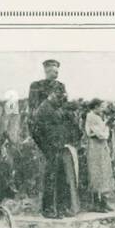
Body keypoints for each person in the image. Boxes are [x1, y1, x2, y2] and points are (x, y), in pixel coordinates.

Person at [31, 86, 78, 218]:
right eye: (58, 95)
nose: (60, 98)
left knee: (61, 180)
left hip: (59, 148)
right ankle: (48, 210)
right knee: (51, 179)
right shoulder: (44, 109)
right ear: (51, 94)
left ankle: (61, 208)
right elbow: (36, 131)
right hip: (50, 150)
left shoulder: (56, 108)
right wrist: (46, 148)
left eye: (62, 95)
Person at [81, 99, 115, 212]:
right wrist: (106, 129)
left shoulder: (98, 117)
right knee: (96, 172)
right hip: (95, 146)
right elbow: (101, 134)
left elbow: (105, 133)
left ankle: (104, 202)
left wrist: (105, 130)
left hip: (101, 146)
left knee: (104, 171)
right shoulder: (91, 116)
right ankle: (96, 203)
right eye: (101, 107)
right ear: (95, 107)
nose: (102, 109)